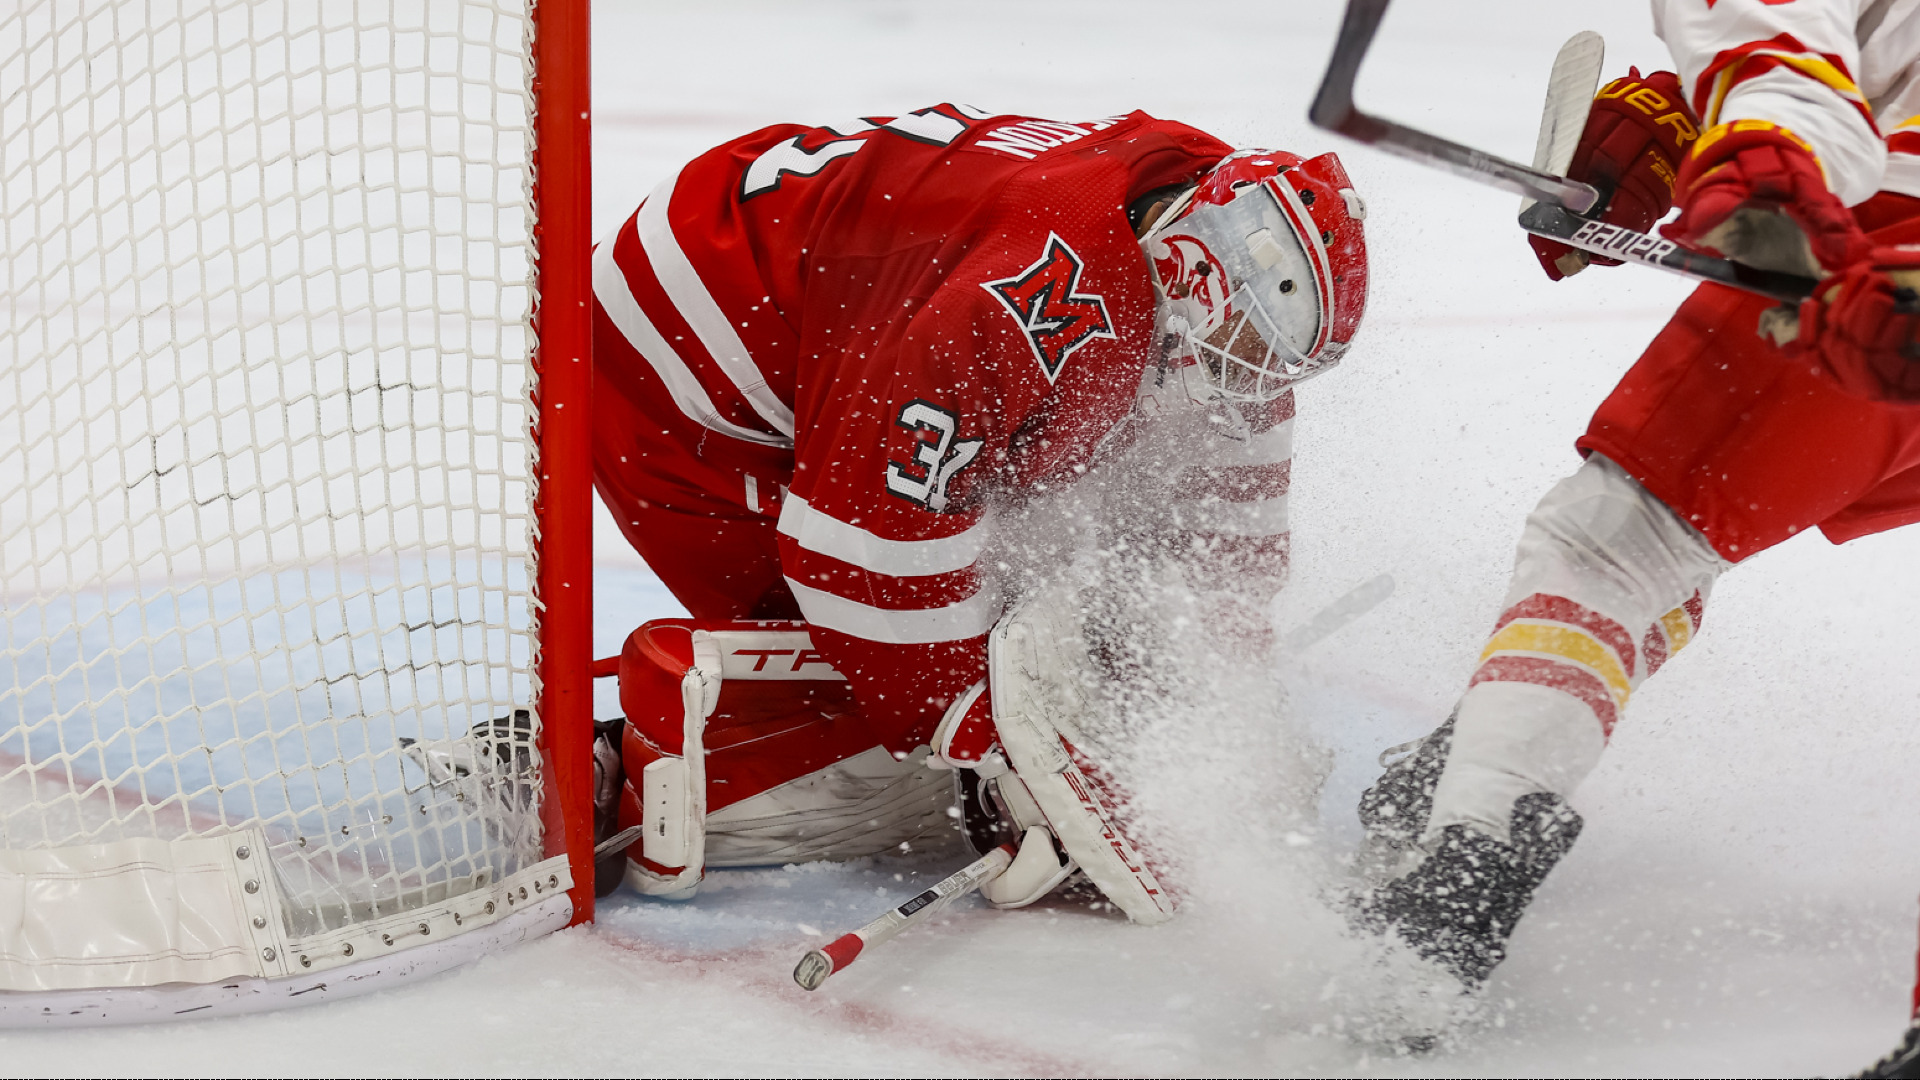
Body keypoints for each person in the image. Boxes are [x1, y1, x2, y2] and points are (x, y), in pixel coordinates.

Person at [588, 103, 1369, 917]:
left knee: (1060, 641)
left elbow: (1223, 548)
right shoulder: (1031, 297)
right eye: (1243, 351)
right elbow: (861, 552)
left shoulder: (1201, 229)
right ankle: (610, 770)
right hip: (691, 384)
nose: (1249, 380)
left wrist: (1214, 694)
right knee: (908, 724)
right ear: (1200, 276)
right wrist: (995, 758)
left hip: (847, 312)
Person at [1353, 0, 1920, 998]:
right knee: (1679, 533)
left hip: (1888, 273)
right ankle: (1498, 739)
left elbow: (1786, 58)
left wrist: (1759, 160)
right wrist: (1681, 120)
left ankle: (1455, 886)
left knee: (1616, 546)